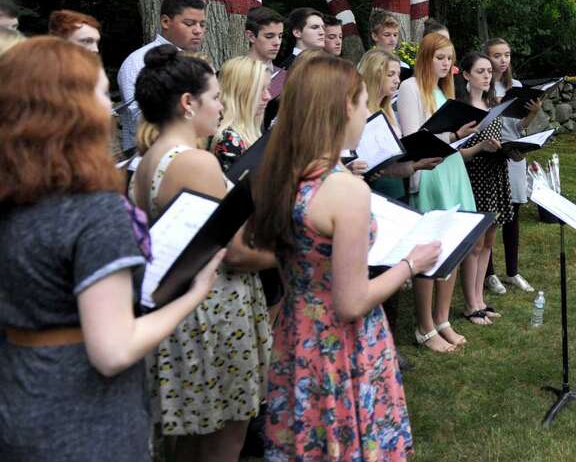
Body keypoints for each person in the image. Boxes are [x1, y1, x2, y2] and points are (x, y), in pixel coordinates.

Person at [0, 38, 222, 462]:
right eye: (103, 94)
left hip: (17, 402)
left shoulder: (15, 199)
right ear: (71, 108)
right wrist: (193, 295)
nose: (112, 108)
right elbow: (113, 350)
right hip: (84, 418)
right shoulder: (93, 211)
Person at [246, 52, 441, 462]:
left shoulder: (281, 175)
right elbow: (351, 301)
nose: (368, 112)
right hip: (344, 344)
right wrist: (411, 263)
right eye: (363, 102)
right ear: (342, 109)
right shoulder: (345, 190)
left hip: (297, 336)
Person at [127, 45, 275, 462]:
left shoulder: (148, 159)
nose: (222, 106)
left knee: (191, 441)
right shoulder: (195, 162)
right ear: (188, 104)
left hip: (181, 312)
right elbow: (237, 252)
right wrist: (296, 250)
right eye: (215, 97)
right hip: (212, 315)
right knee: (223, 442)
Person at [396, 32, 481, 353]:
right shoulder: (410, 87)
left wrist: (460, 134)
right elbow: (411, 138)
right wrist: (453, 132)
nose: (446, 65)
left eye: (449, 59)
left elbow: (448, 136)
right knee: (430, 248)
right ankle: (424, 325)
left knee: (455, 245)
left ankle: (443, 319)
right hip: (430, 172)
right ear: (425, 57)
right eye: (439, 58)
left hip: (452, 169)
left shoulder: (443, 90)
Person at [455, 52, 516, 325]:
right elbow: (456, 153)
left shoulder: (494, 105)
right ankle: (469, 304)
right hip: (473, 177)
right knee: (475, 243)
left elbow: (501, 139)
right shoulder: (459, 108)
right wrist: (480, 147)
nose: (487, 76)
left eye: (489, 72)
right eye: (480, 71)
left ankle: (479, 298)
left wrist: (513, 151)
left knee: (489, 241)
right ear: (466, 75)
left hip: (494, 174)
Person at [117, 0, 207, 150]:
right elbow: (142, 117)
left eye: (202, 24)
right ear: (166, 22)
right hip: (148, 157)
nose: (198, 30)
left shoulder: (201, 62)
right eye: (189, 23)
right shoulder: (138, 62)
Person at [483, 37, 540, 294]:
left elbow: (518, 127)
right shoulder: (483, 84)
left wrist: (532, 114)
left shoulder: (515, 85)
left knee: (513, 212)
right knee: (492, 214)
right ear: (487, 57)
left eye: (506, 55)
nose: (503, 60)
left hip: (515, 153)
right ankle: (489, 273)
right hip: (492, 153)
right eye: (497, 55)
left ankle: (513, 271)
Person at [356, 49, 441, 202]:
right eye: (390, 74)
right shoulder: (358, 111)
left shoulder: (389, 112)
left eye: (398, 75)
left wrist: (416, 165)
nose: (397, 80)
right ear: (374, 74)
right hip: (369, 191)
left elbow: (392, 165)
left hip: (396, 188)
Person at [211, 56, 272, 171]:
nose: (268, 96)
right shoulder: (229, 140)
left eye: (268, 88)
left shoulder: (247, 132)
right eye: (259, 90)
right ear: (239, 93)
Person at [269, 7, 324, 98]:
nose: (322, 32)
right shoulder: (285, 70)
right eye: (315, 27)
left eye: (323, 27)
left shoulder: (327, 64)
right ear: (297, 33)